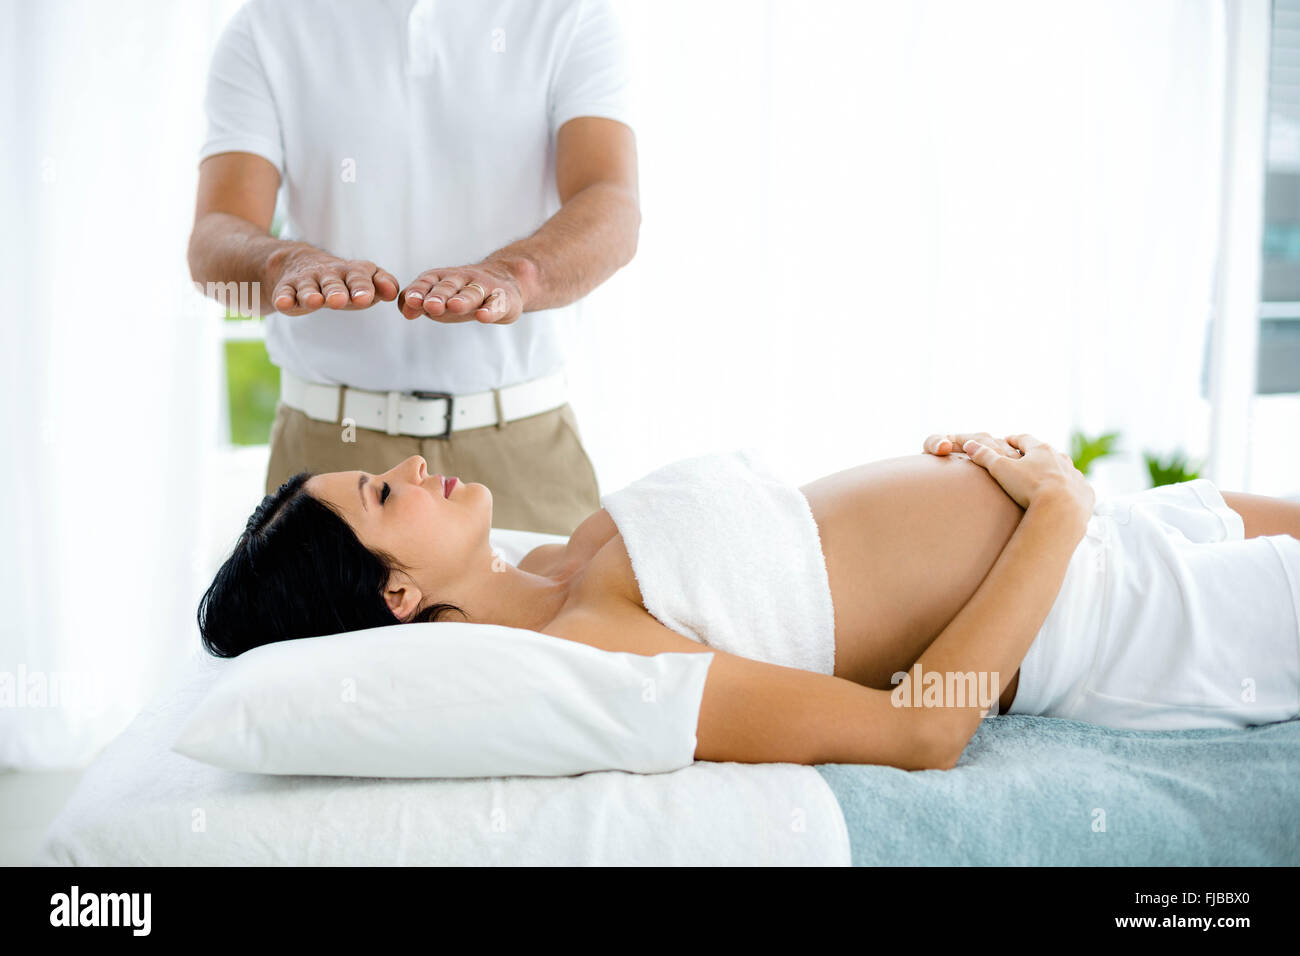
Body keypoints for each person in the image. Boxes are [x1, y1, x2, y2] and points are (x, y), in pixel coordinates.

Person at [197, 432, 1300, 772]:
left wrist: (1068, 508)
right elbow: (916, 730)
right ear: (397, 590)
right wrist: (1051, 519)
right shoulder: (597, 650)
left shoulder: (563, 556)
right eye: (384, 492)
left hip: (1118, 533)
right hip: (1119, 623)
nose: (411, 459)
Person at [187, 0, 639, 535]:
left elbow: (612, 202)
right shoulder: (266, 23)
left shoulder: (572, 13)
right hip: (329, 463)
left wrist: (516, 276)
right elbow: (218, 227)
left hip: (523, 454)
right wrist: (284, 263)